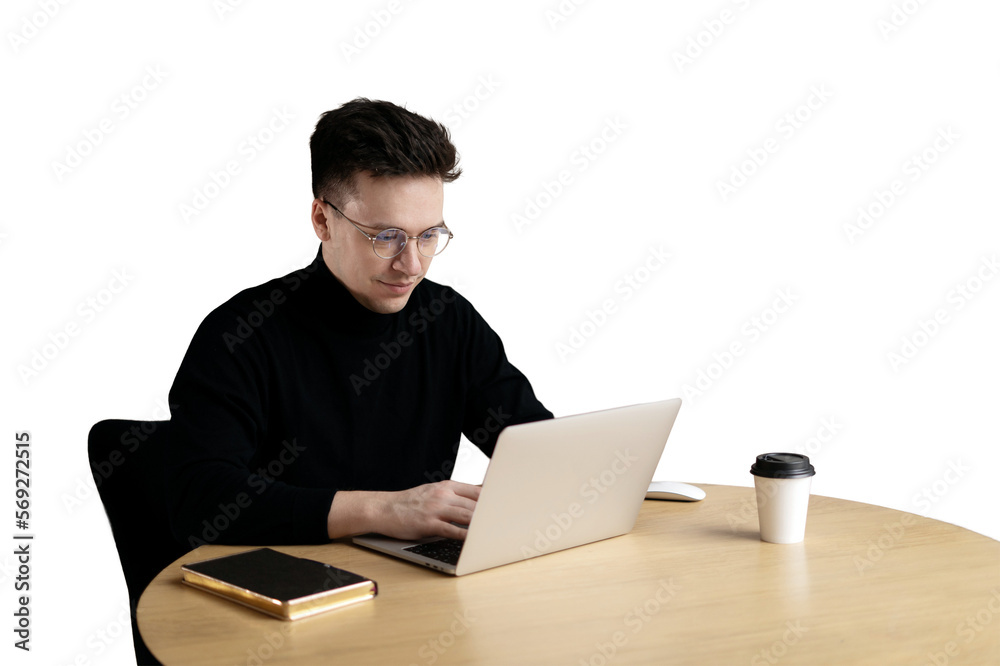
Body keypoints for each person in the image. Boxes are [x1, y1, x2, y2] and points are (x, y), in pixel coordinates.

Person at [166, 98, 552, 549]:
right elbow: (201, 502)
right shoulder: (239, 334)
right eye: (386, 237)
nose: (412, 264)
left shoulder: (449, 320)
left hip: (414, 589)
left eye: (429, 235)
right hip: (282, 592)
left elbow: (534, 449)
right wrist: (383, 511)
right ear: (322, 220)